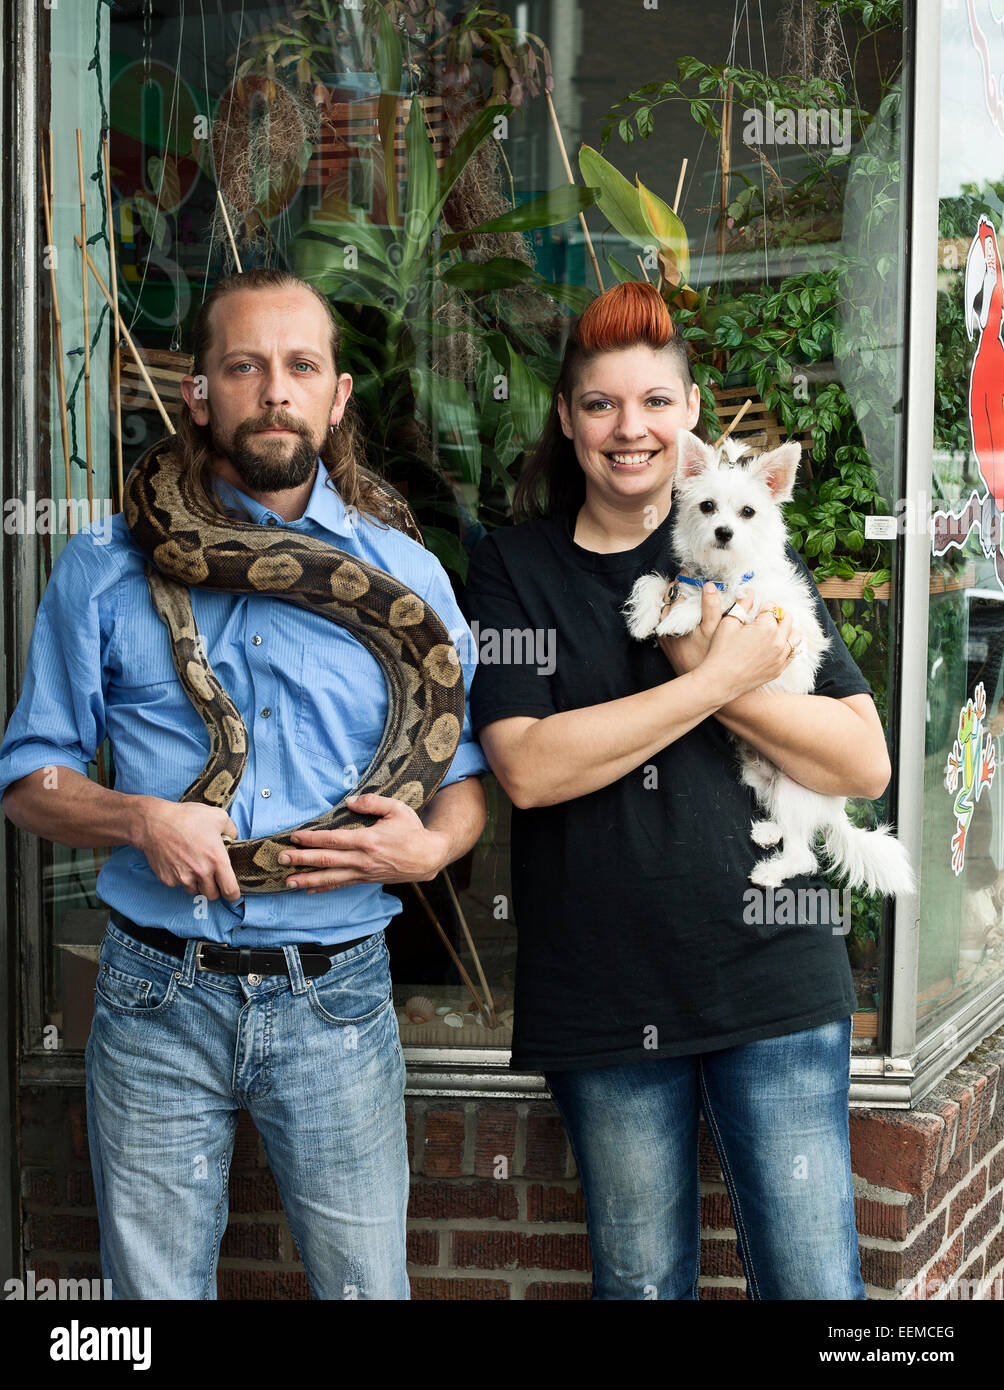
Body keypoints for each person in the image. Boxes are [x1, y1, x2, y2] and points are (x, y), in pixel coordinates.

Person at [0, 267, 487, 1300]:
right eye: (244, 366)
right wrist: (137, 817)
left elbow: (467, 776)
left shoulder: (407, 577)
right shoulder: (105, 564)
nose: (275, 389)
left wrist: (436, 847)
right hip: (153, 989)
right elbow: (27, 781)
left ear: (336, 395)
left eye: (300, 366)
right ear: (199, 393)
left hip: (338, 992)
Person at [463, 281, 889, 1300]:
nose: (629, 428)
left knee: (816, 1288)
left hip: (773, 973)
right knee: (641, 1285)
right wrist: (710, 679)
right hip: (603, 988)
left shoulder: (738, 538)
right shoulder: (512, 569)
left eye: (655, 400)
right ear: (565, 420)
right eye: (600, 403)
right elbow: (525, 766)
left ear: (689, 416)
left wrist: (731, 686)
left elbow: (859, 761)